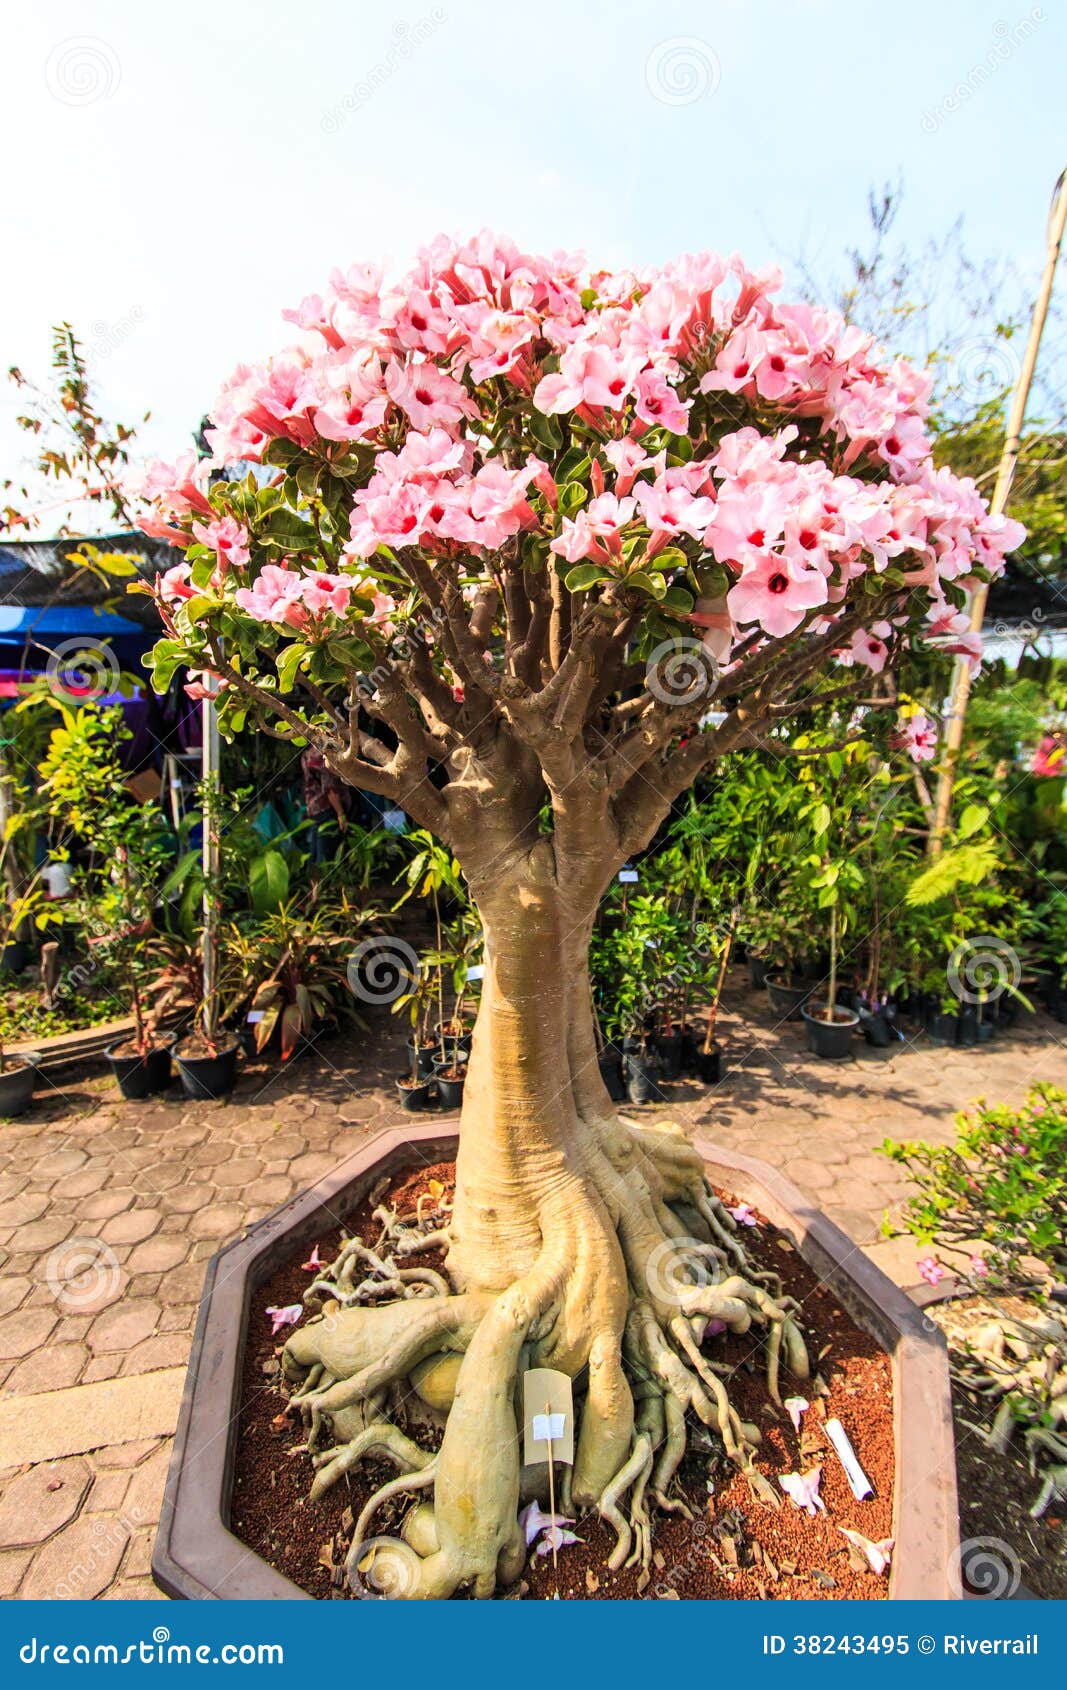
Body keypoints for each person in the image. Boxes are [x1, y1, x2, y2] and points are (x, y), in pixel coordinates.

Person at [300, 747, 350, 866]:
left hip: (313, 808)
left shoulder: (306, 754)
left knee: (315, 853)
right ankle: (323, 877)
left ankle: (314, 877)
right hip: (326, 807)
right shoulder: (320, 755)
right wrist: (340, 813)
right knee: (325, 855)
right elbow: (329, 788)